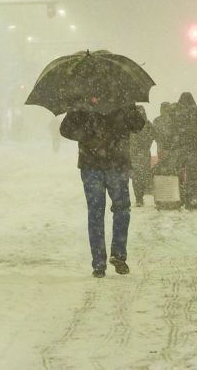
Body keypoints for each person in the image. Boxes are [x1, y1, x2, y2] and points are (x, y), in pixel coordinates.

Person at [60, 104, 145, 278]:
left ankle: (99, 263)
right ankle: (118, 255)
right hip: (116, 164)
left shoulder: (81, 103)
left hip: (92, 165)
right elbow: (138, 125)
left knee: (96, 213)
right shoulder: (122, 99)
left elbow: (65, 129)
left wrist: (86, 135)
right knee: (121, 210)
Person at [171, 92, 197, 205]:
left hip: (181, 147)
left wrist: (174, 144)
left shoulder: (177, 113)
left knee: (179, 172)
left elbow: (173, 130)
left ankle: (180, 196)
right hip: (194, 147)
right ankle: (193, 197)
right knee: (194, 172)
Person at [123, 106, 156, 207]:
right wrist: (146, 144)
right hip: (144, 153)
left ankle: (139, 198)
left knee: (136, 175)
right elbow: (153, 135)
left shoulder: (130, 123)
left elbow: (126, 137)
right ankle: (143, 193)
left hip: (134, 153)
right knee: (143, 174)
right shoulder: (148, 124)